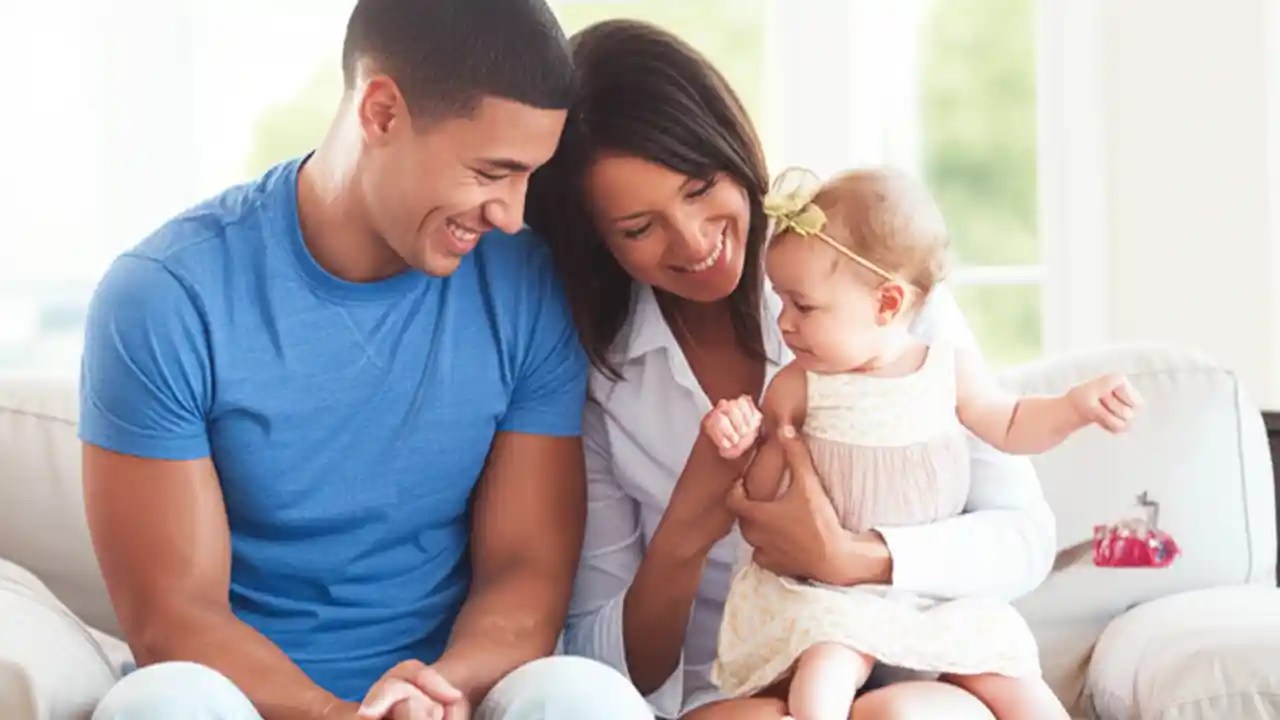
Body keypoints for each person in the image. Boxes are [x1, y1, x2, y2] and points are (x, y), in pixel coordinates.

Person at [79, 1, 654, 719]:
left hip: (453, 700)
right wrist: (340, 716)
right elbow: (175, 618)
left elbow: (525, 574)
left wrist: (435, 696)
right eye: (490, 172)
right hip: (248, 705)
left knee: (583, 695)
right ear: (381, 112)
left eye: (528, 178)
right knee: (160, 702)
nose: (511, 214)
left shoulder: (526, 286)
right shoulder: (165, 297)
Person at [527, 19, 1061, 720]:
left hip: (921, 657)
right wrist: (687, 529)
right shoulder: (605, 379)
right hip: (741, 682)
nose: (693, 241)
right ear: (599, 241)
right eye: (639, 228)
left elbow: (1024, 537)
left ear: (732, 148)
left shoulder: (869, 285)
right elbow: (604, 665)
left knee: (905, 714)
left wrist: (857, 558)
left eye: (700, 188)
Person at [702, 167, 1141, 720]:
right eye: (780, 301)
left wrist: (1072, 408)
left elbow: (1011, 424)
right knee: (826, 668)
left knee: (1009, 670)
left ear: (887, 304)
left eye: (802, 306)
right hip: (837, 597)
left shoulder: (945, 369)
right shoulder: (799, 385)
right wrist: (747, 446)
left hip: (935, 593)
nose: (784, 323)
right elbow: (764, 500)